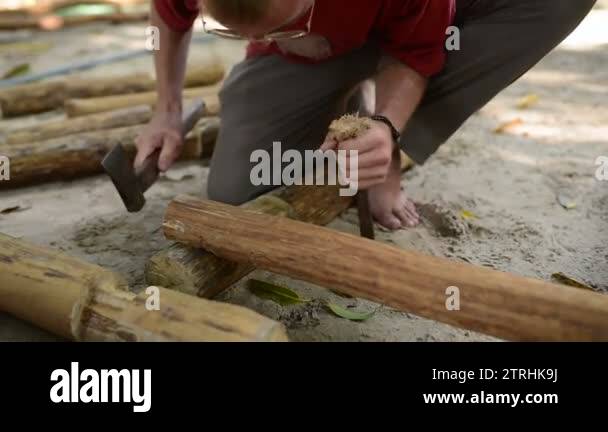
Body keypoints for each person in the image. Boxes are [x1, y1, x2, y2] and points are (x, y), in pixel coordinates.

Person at [135, 0, 596, 230]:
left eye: (288, 22)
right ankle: (343, 106)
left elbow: (415, 52)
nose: (278, 35)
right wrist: (167, 110)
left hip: (427, 25)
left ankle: (389, 148)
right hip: (321, 50)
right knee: (234, 190)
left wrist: (387, 129)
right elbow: (167, 14)